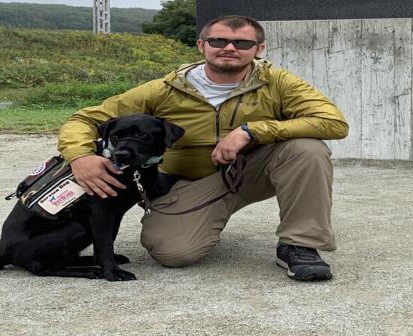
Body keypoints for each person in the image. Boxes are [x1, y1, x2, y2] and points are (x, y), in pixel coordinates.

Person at [60, 15, 349, 281]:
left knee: (307, 149)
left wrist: (251, 130)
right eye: (218, 41)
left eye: (242, 43)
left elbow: (333, 123)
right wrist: (80, 156)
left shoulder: (279, 82)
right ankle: (199, 220)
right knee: (173, 252)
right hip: (191, 184)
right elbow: (85, 119)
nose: (229, 48)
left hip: (252, 171)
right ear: (201, 45)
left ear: (259, 49)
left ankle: (299, 245)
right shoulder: (165, 89)